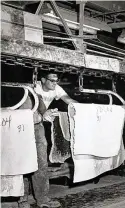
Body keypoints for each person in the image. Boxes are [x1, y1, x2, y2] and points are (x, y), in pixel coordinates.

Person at [18, 71, 78, 208]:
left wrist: (84, 108)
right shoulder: (35, 87)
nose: (55, 83)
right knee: (24, 161)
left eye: (56, 80)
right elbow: (36, 103)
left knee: (41, 162)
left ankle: (42, 200)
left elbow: (68, 100)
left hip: (37, 125)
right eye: (52, 80)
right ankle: (22, 200)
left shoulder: (55, 88)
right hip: (22, 125)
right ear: (43, 80)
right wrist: (44, 113)